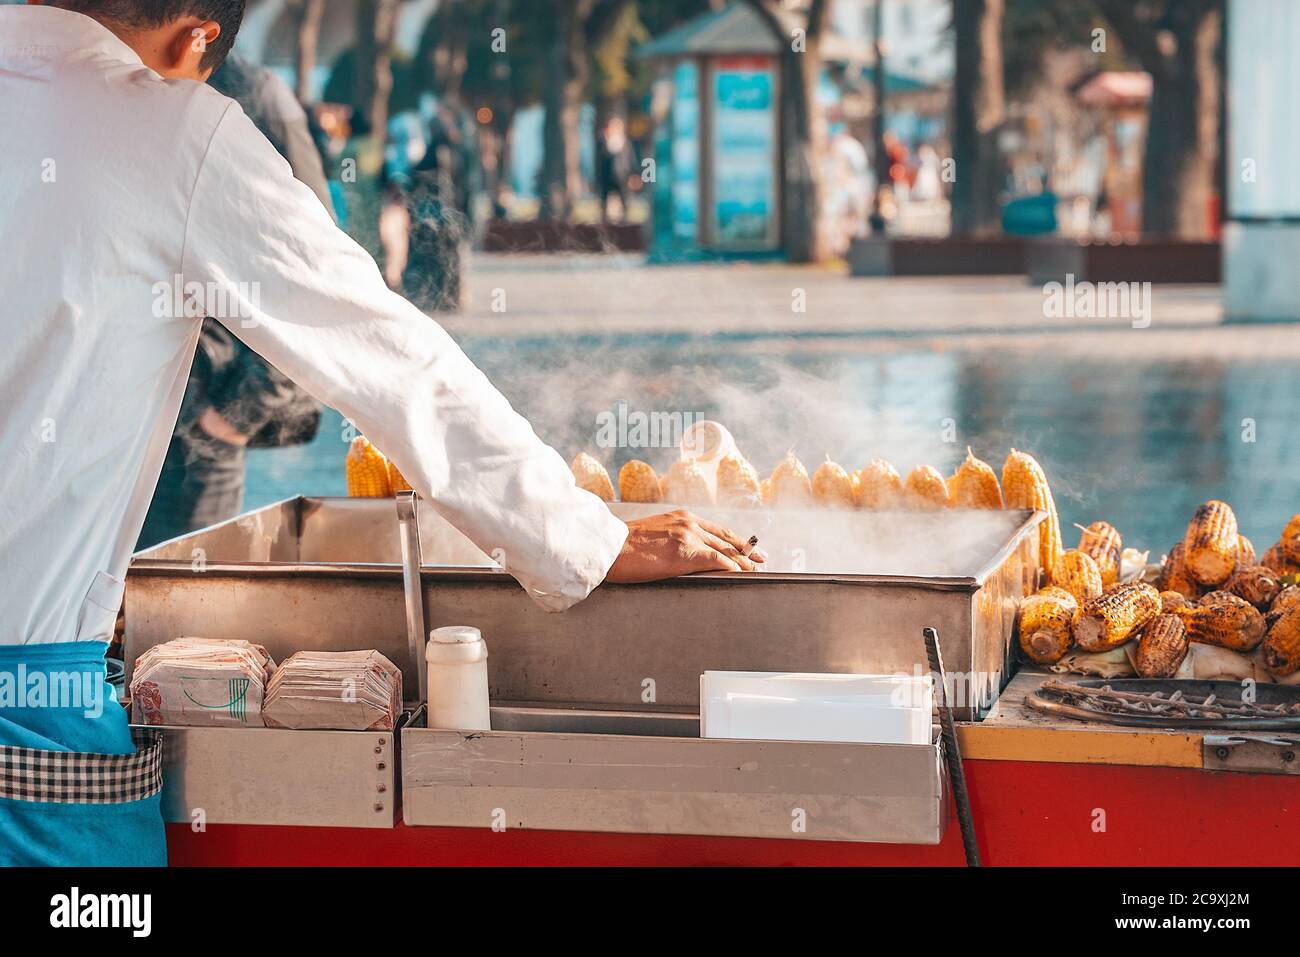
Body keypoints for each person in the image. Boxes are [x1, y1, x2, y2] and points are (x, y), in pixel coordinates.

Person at [0, 0, 763, 867]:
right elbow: (385, 355)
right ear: (195, 40)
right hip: (26, 716)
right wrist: (584, 533)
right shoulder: (170, 133)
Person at [137, 52, 333, 548]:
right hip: (110, 420)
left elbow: (313, 269)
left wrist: (236, 414)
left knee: (176, 606)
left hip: (198, 430)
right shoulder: (109, 77)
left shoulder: (257, 94)